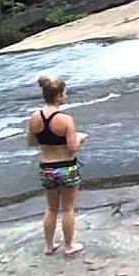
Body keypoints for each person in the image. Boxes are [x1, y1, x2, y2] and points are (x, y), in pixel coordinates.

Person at [25, 75, 88, 256]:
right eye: (64, 93)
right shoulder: (65, 119)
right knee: (68, 208)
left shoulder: (34, 118)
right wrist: (80, 139)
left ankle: (49, 246)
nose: (66, 96)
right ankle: (68, 246)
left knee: (51, 208)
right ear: (59, 96)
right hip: (66, 167)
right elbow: (73, 149)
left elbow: (31, 142)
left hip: (46, 168)